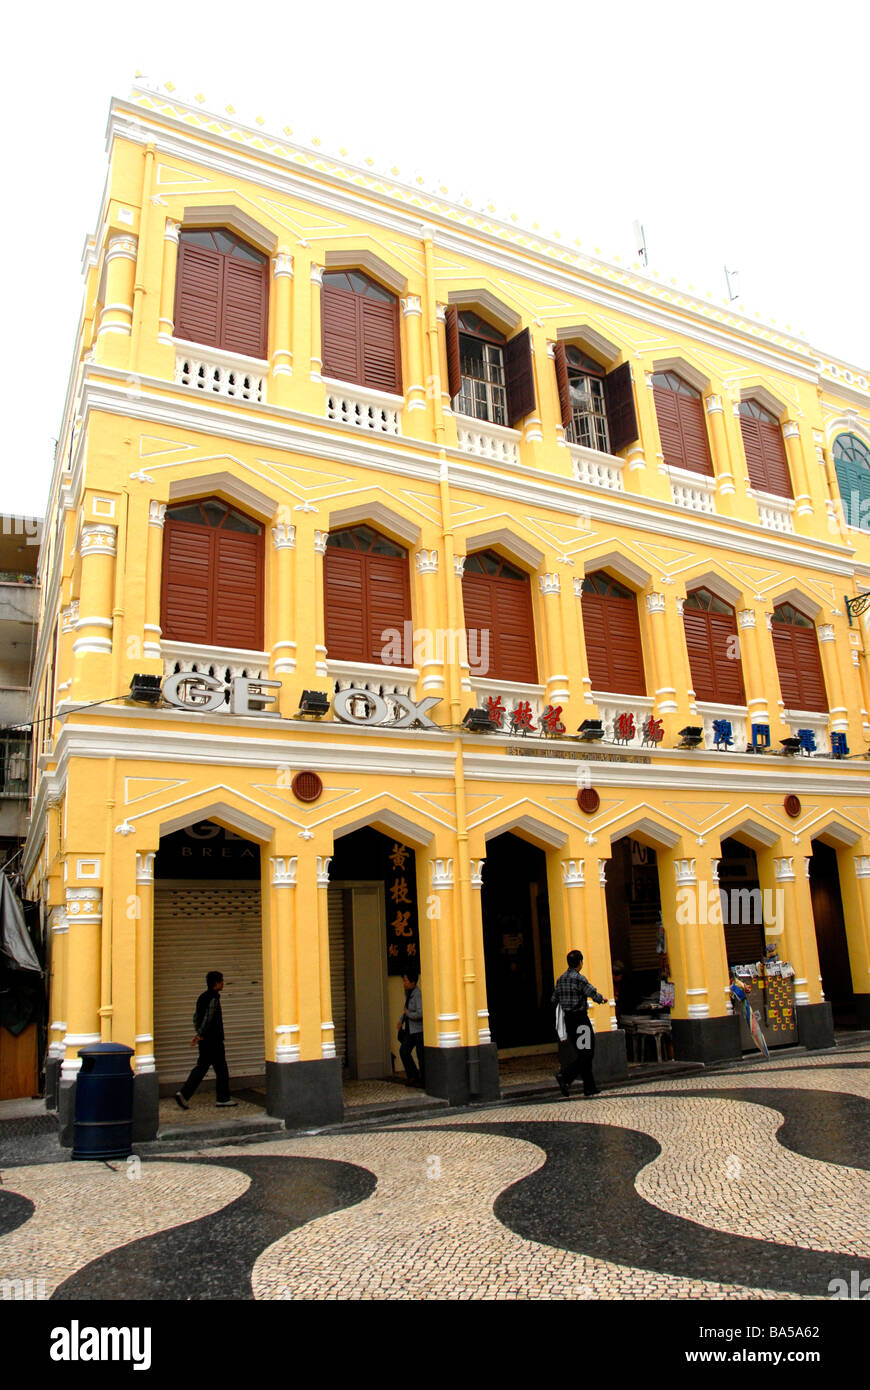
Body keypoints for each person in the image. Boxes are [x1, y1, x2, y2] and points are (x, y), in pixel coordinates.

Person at [175, 970, 238, 1109]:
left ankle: (184, 1094)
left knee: (202, 1067)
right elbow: (208, 1018)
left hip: (205, 1041)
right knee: (221, 1069)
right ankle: (222, 1098)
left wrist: (198, 1033)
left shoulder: (202, 997)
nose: (223, 983)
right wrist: (200, 1034)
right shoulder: (213, 998)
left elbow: (195, 1017)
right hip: (213, 1040)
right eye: (221, 981)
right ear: (216, 983)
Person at [552, 949, 606, 1098]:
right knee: (587, 1052)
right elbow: (592, 993)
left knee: (583, 1052)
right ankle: (565, 1076)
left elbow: (554, 998)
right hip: (581, 1020)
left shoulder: (560, 979)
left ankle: (589, 1087)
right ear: (580, 962)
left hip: (568, 1020)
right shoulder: (579, 979)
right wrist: (602, 999)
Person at [397, 970, 424, 1086]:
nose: (404, 983)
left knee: (421, 1055)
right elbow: (405, 1009)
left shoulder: (417, 995)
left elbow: (420, 1013)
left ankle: (422, 1079)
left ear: (413, 982)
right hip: (410, 1030)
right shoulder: (408, 993)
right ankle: (412, 1075)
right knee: (404, 1051)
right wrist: (401, 1020)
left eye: (406, 980)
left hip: (418, 1030)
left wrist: (408, 1015)